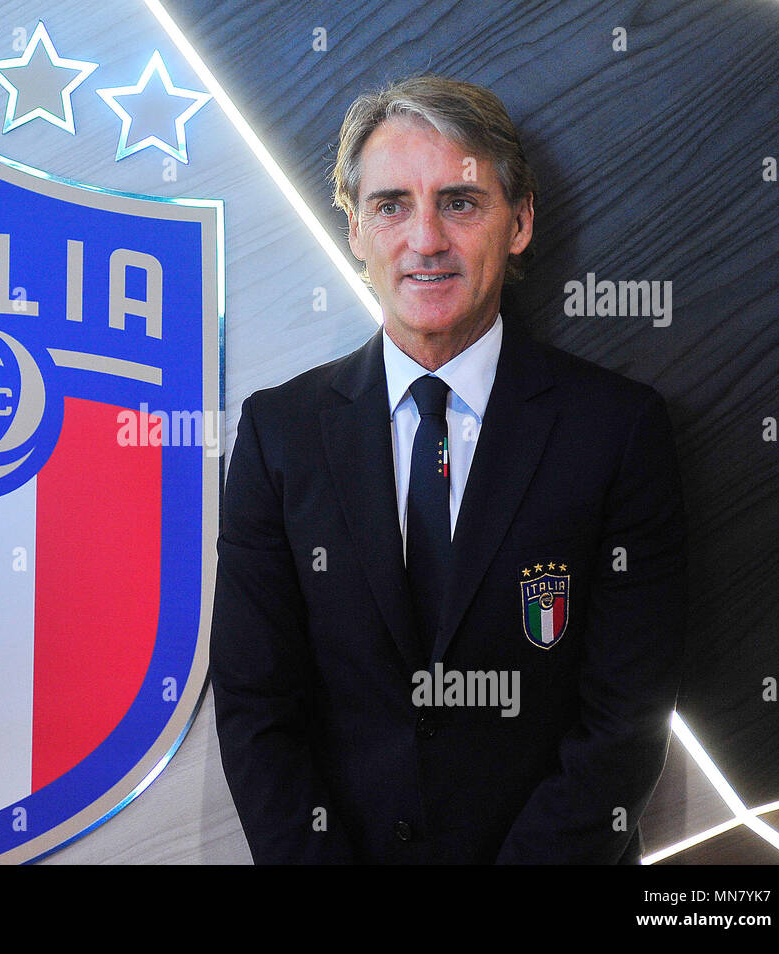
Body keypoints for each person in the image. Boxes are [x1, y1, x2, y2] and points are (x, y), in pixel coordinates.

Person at [210, 75, 686, 864]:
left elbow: (625, 723)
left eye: (460, 203)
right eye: (391, 205)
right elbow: (258, 712)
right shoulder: (278, 435)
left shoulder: (618, 432)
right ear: (356, 229)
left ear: (520, 221)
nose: (424, 238)